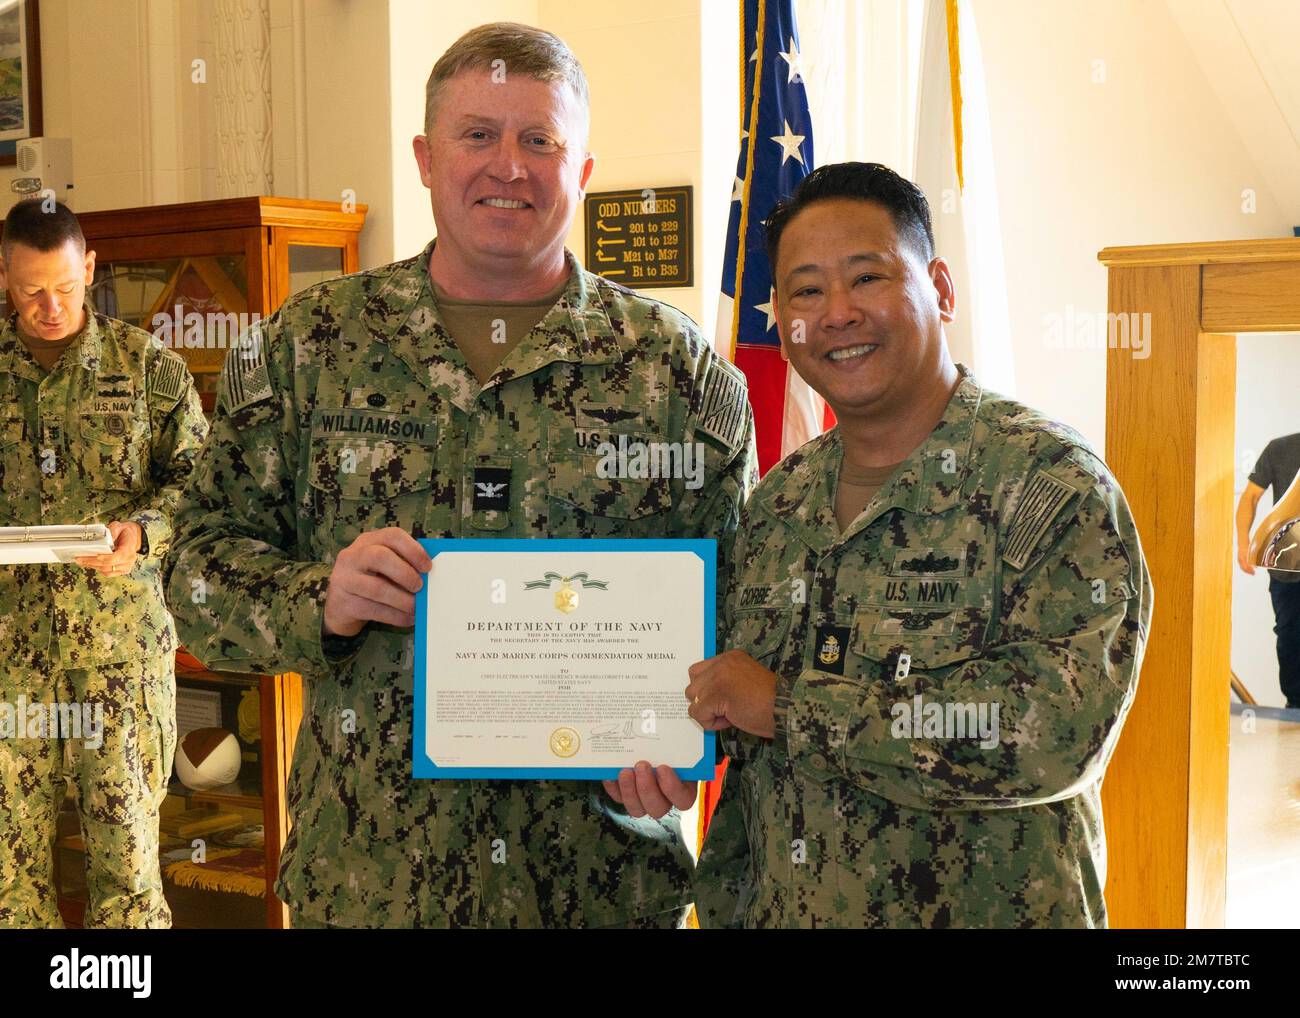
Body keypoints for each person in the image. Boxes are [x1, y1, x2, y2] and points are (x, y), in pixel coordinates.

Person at [163, 22, 756, 928]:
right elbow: (195, 569)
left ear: (583, 168)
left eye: (540, 140)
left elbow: (743, 617)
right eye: (478, 135)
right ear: (426, 158)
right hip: (371, 885)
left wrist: (685, 744)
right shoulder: (308, 346)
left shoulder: (676, 373)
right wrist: (319, 597)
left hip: (599, 888)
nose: (509, 167)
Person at [687, 162, 1152, 928]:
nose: (836, 313)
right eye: (805, 291)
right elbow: (749, 760)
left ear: (939, 287)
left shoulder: (1044, 483)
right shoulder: (777, 505)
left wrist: (792, 707)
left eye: (867, 277)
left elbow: (1052, 735)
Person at [0, 198, 208, 927]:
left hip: (119, 657)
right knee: (7, 879)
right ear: (5, 277)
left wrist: (142, 532)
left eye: (63, 286)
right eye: (29, 291)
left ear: (89, 268)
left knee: (126, 873)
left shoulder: (150, 371)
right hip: (8, 659)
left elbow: (201, 482)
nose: (48, 307)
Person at [1238, 434, 1300, 709]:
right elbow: (1250, 497)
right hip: (1287, 567)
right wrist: (1244, 544)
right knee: (1288, 636)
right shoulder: (1279, 448)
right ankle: (1295, 705)